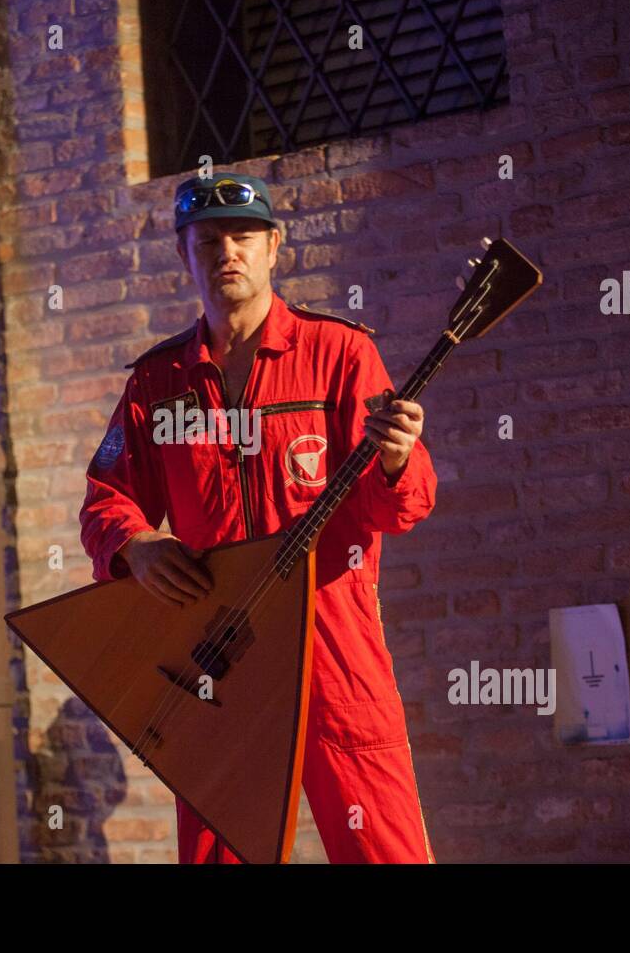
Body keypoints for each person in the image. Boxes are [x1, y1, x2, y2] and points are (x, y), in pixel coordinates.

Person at [79, 172, 439, 863]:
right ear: (184, 255)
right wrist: (137, 546)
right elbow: (106, 496)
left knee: (383, 850)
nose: (227, 253)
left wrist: (397, 459)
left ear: (275, 247)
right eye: (207, 240)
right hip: (222, 657)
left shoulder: (340, 355)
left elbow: (400, 506)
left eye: (243, 236)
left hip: (334, 645)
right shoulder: (158, 383)